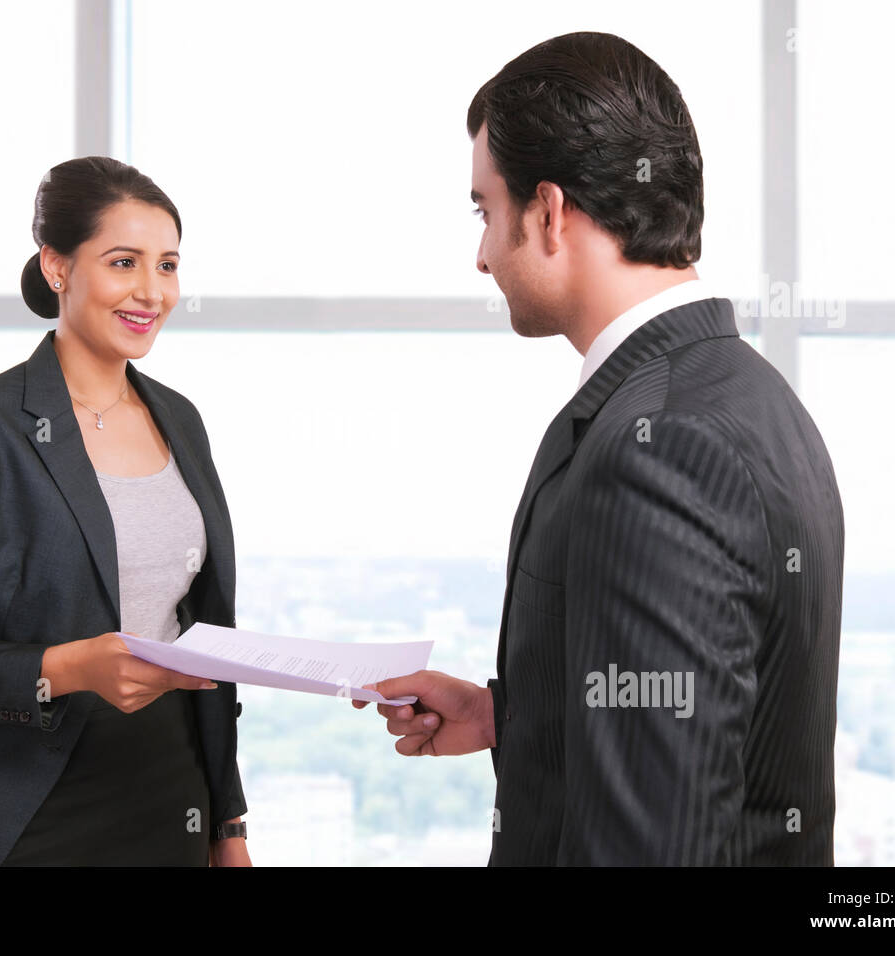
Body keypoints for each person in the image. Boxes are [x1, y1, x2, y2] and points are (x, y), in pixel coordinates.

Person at [355, 32, 844, 866]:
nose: (481, 255)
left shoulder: (657, 448)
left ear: (548, 211)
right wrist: (511, 716)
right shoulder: (750, 395)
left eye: (486, 209)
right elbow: (701, 720)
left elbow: (655, 840)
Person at [0, 157, 251, 866]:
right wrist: (68, 667)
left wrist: (228, 822)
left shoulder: (181, 420)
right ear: (57, 267)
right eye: (123, 262)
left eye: (168, 266)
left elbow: (202, 639)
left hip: (169, 801)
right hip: (22, 821)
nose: (151, 291)